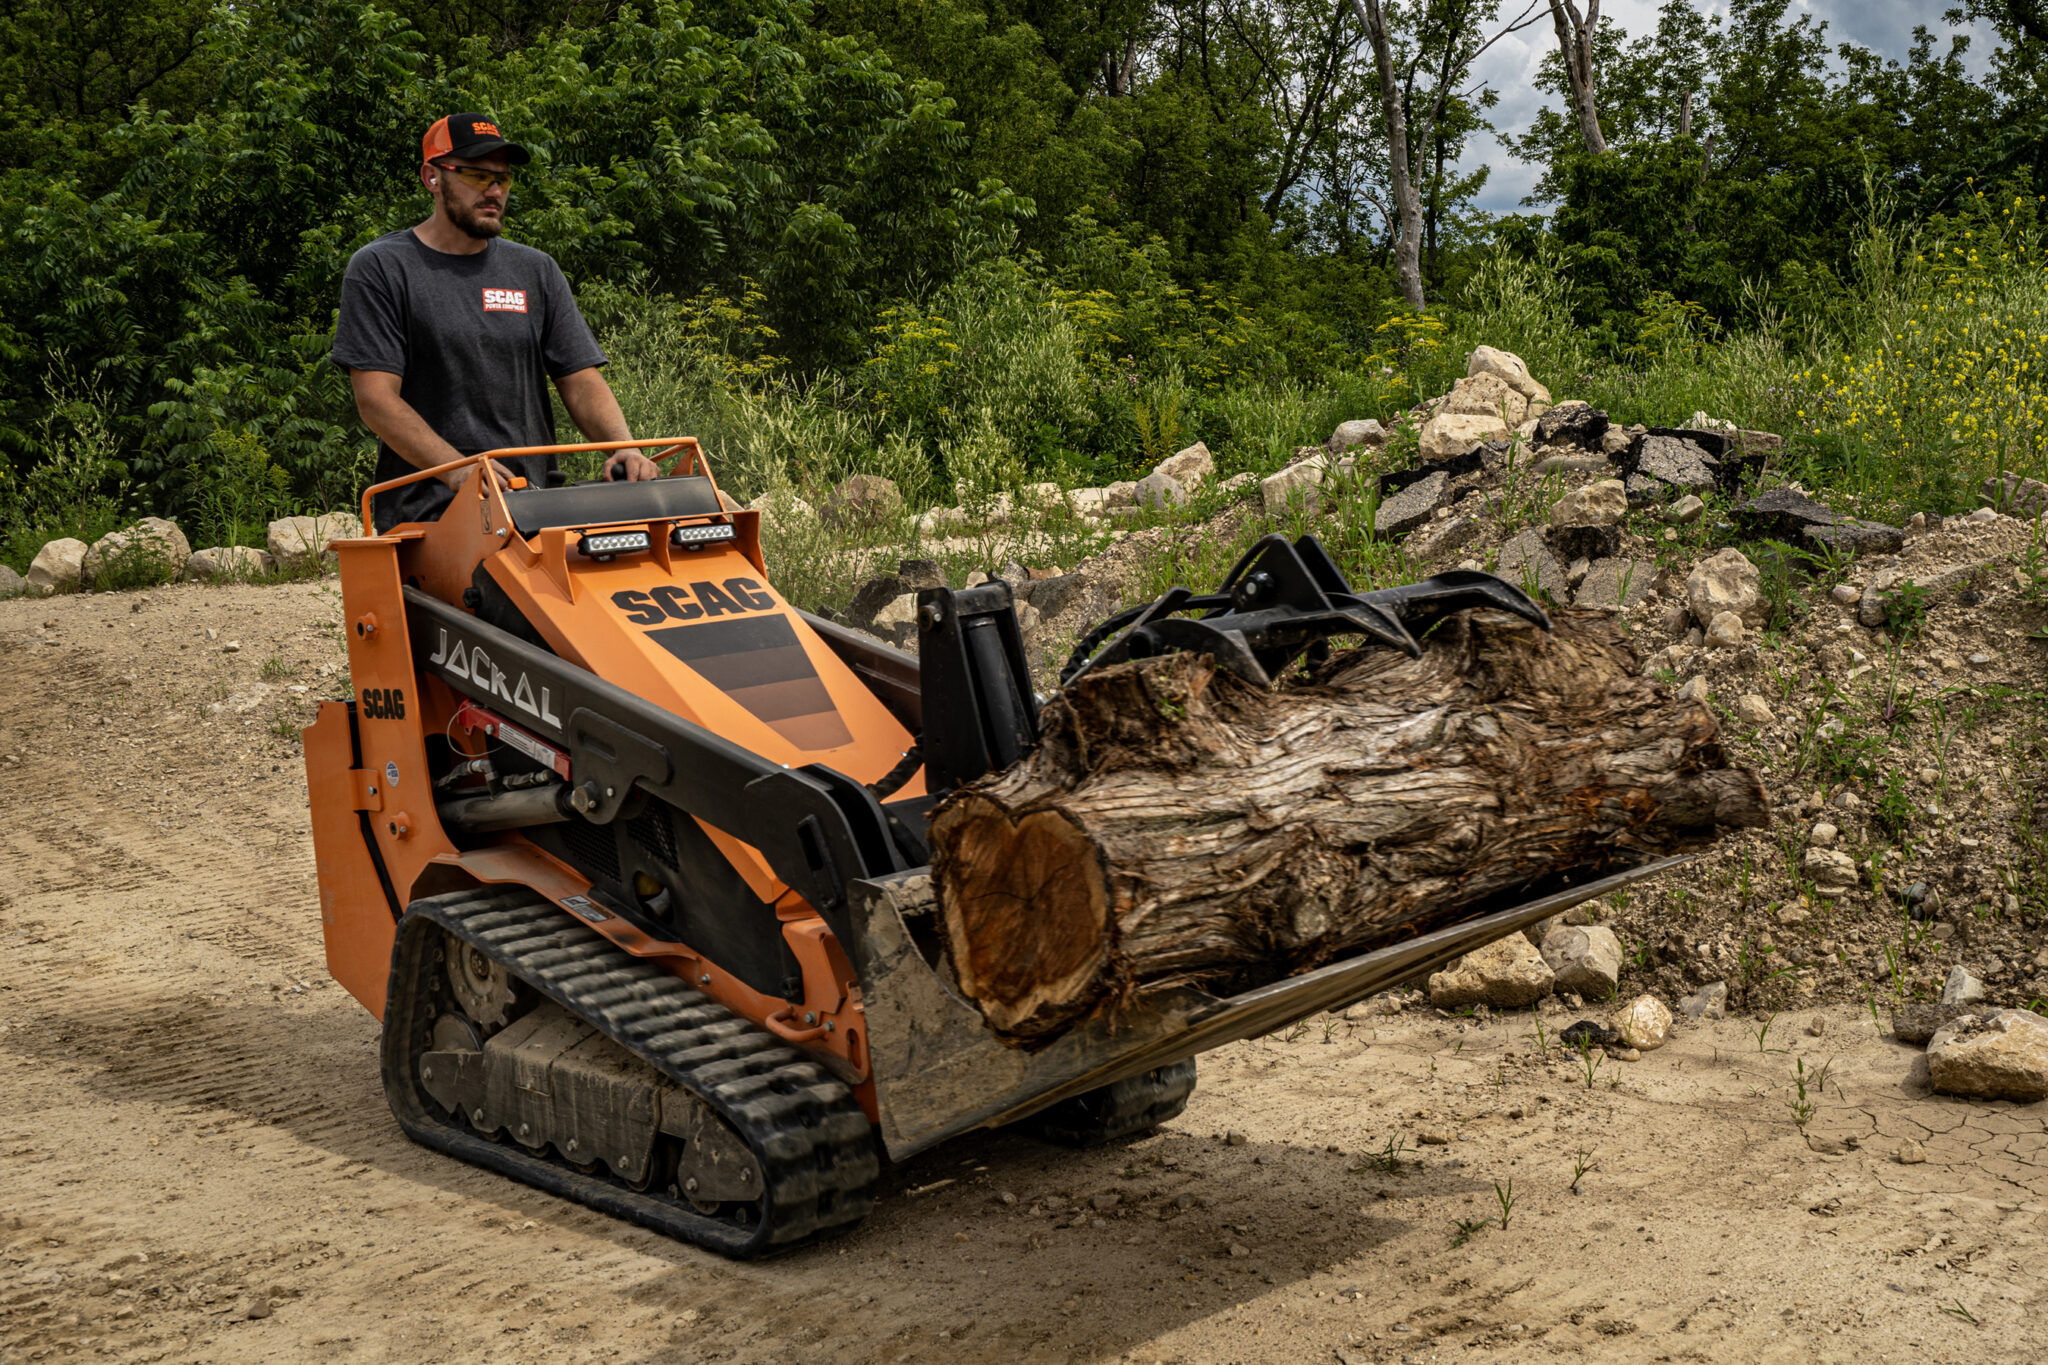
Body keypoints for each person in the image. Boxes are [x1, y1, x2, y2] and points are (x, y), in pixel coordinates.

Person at [330, 112, 658, 532]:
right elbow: (376, 400)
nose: (494, 190)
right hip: (431, 512)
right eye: (476, 175)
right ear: (432, 177)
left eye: (502, 179)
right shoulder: (383, 268)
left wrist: (624, 447)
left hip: (533, 504)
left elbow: (580, 379)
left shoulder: (535, 270)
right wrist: (457, 470)